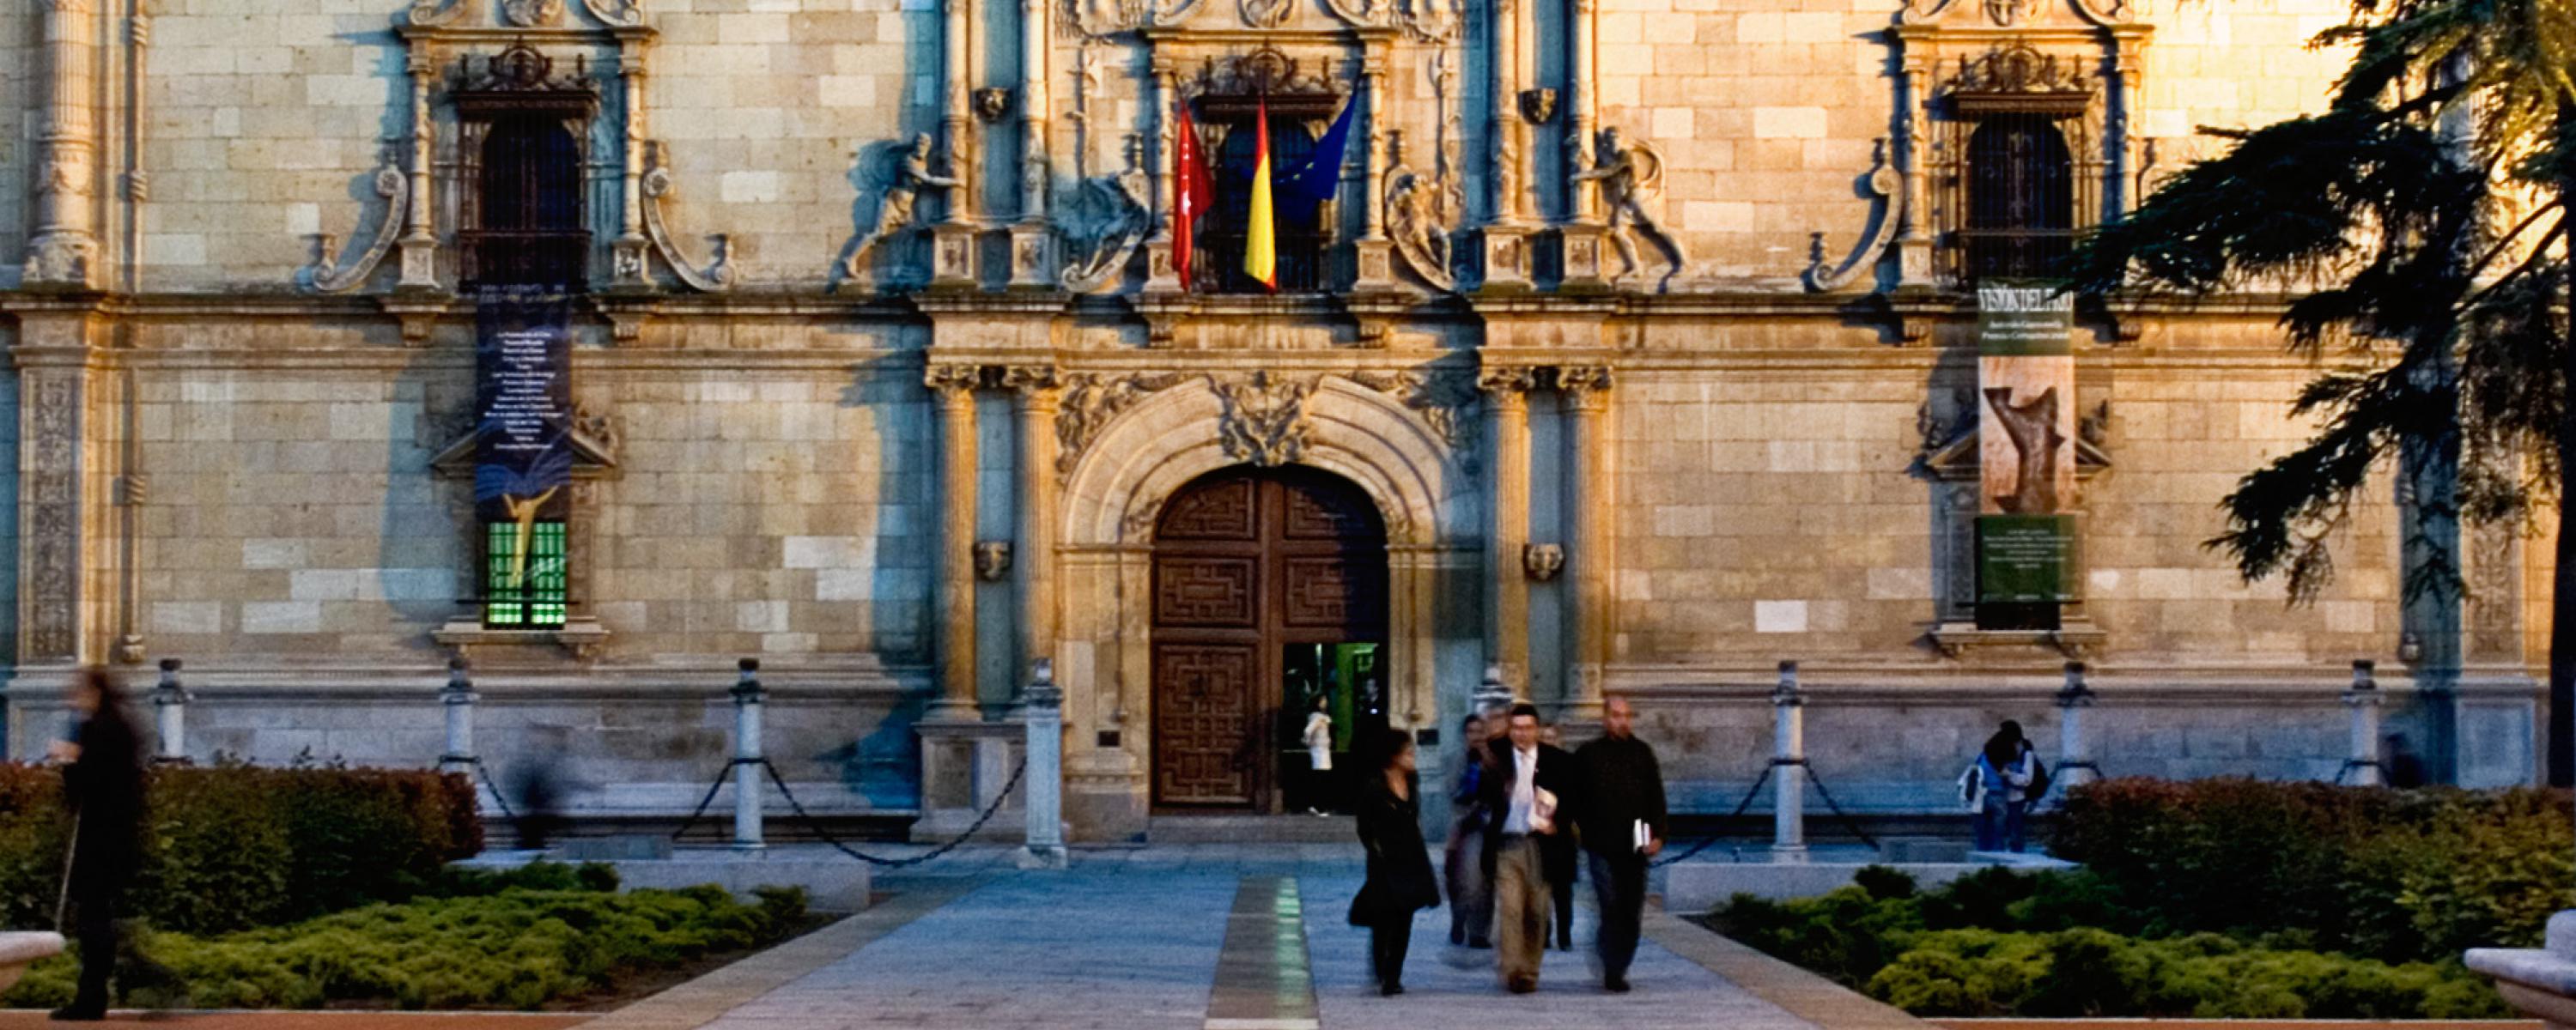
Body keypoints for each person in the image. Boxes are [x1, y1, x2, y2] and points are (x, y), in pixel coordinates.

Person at [50, 669, 146, 1022]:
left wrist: (67, 761)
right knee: (99, 916)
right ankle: (99, 989)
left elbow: (86, 788)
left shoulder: (97, 729)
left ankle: (93, 996)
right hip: (118, 835)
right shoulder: (121, 726)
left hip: (99, 838)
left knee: (94, 919)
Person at [1479, 703, 1575, 994]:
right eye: (1516, 728)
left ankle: (1530, 971)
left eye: (1527, 728)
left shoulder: (1556, 761)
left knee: (1536, 910)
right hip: (1507, 845)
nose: (1521, 734)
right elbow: (1482, 791)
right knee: (1510, 908)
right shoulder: (1497, 758)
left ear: (1537, 730)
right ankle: (1512, 969)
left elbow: (1572, 800)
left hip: (1541, 846)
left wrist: (1557, 823)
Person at [1576, 696, 1667, 992]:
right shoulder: (1589, 754)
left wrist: (1657, 836)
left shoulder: (1642, 753)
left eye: (1627, 715)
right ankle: (1610, 966)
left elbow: (1655, 798)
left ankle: (1620, 964)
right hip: (1600, 842)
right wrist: (1582, 831)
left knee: (1631, 908)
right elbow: (1575, 798)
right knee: (1610, 905)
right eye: (1616, 715)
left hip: (1636, 838)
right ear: (1605, 719)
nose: (1622, 721)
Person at [1348, 728, 1440, 997]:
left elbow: (1413, 818)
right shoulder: (1374, 786)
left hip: (1410, 856)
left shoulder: (1412, 782)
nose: (1413, 756)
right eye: (1408, 752)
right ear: (1393, 755)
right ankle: (1381, 968)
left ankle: (1393, 975)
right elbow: (1364, 826)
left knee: (1405, 916)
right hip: (1384, 861)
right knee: (1384, 916)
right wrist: (1376, 850)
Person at [1443, 713, 1491, 948]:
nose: (1476, 737)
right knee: (1460, 880)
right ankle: (1459, 918)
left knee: (1483, 881)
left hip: (1487, 826)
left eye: (1480, 732)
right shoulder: (1456, 759)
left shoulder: (1491, 759)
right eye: (1471, 732)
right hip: (1463, 825)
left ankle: (1479, 932)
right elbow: (1453, 790)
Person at [1959, 720, 2037, 852]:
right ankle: (1998, 856)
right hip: (1999, 795)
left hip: (1983, 796)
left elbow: (1976, 769)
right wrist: (2007, 774)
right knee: (1999, 833)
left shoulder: (1985, 755)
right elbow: (2017, 777)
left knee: (1984, 832)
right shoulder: (2008, 756)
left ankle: (1984, 854)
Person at [1538, 723, 1578, 951]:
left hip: (1561, 835)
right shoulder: (1533, 765)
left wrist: (1558, 822)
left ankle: (1565, 934)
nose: (1547, 741)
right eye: (1543, 737)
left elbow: (1573, 799)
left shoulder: (1568, 763)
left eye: (1551, 738)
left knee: (1563, 891)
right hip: (1539, 836)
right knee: (1541, 889)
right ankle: (1544, 933)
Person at [1302, 693, 1336, 815]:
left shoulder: (1318, 716)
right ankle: (1319, 806)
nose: (1325, 702)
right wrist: (1308, 742)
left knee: (1319, 778)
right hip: (1320, 750)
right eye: (1323, 700)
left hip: (1320, 750)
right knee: (1321, 779)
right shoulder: (1318, 717)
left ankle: (1315, 805)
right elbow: (1308, 730)